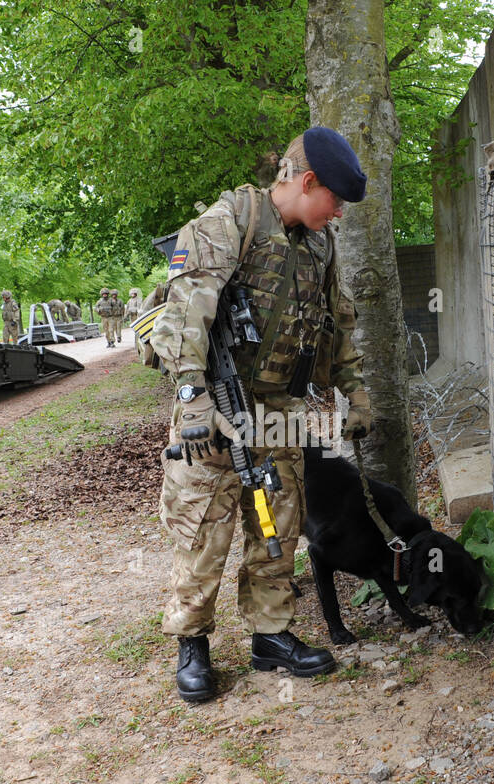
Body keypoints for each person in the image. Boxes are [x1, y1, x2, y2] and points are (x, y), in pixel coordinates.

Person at [151, 126, 372, 703]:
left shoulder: (320, 245)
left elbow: (337, 323)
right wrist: (192, 402)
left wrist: (358, 392)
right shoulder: (228, 225)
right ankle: (192, 643)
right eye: (336, 200)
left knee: (276, 520)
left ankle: (271, 635)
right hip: (213, 404)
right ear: (306, 181)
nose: (340, 214)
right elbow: (183, 318)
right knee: (204, 524)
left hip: (277, 409)